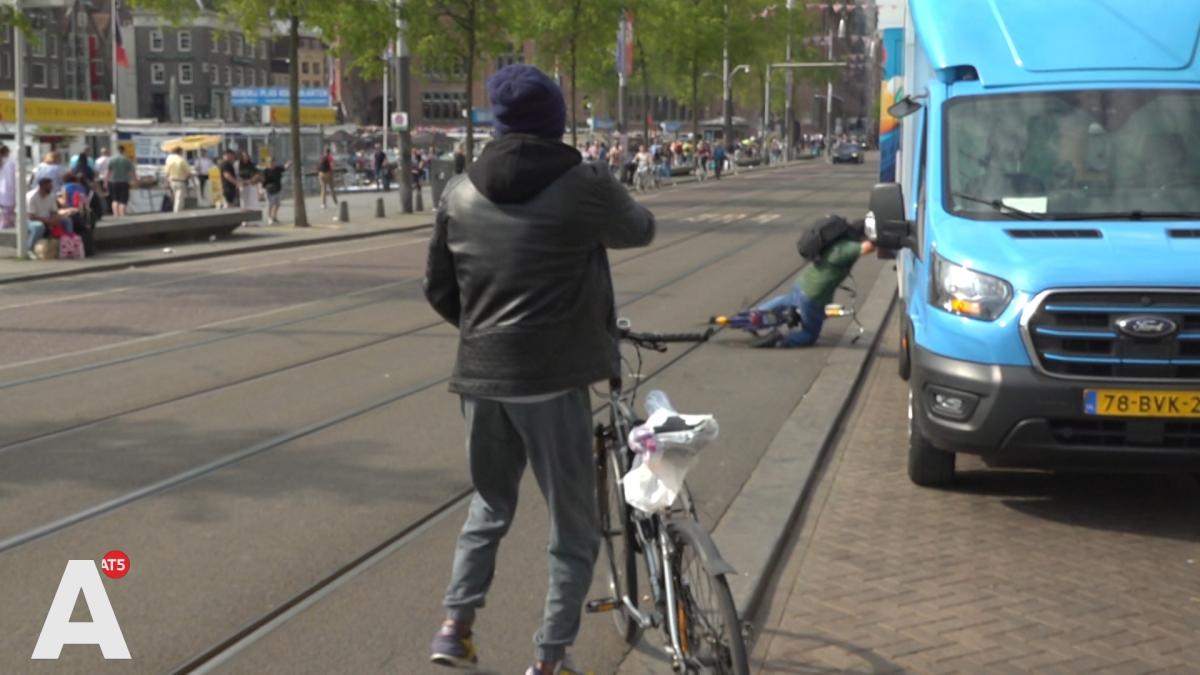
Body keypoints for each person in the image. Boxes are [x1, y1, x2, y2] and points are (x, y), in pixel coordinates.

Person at [424, 63, 655, 675]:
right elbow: (639, 230)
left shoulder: (459, 190)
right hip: (552, 379)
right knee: (573, 528)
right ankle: (550, 659)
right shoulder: (584, 182)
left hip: (481, 375)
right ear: (556, 119)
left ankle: (454, 627)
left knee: (489, 505)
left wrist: (486, 335)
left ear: (498, 122)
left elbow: (439, 288)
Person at [750, 215, 876, 348]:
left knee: (786, 300)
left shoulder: (838, 242)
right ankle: (781, 339)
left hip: (802, 284)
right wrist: (882, 239)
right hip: (814, 296)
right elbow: (868, 248)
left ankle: (757, 314)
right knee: (809, 335)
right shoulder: (846, 247)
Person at [26, 176, 75, 258]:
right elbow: (31, 216)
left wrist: (56, 219)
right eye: (49, 186)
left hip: (48, 218)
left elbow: (54, 212)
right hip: (31, 221)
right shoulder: (32, 197)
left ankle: (68, 245)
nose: (51, 188)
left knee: (67, 221)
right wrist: (49, 221)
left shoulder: (50, 196)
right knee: (39, 226)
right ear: (42, 186)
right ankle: (29, 249)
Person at [106, 145, 136, 217]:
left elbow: (108, 172)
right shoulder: (127, 160)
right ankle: (122, 215)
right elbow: (132, 171)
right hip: (124, 182)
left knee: (114, 199)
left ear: (117, 150)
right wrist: (135, 180)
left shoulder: (111, 159)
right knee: (123, 200)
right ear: (123, 151)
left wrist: (106, 181)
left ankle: (115, 215)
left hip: (113, 182)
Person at [164, 145, 193, 213]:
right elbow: (188, 172)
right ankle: (177, 214)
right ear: (180, 152)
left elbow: (166, 172)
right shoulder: (181, 160)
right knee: (179, 199)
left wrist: (166, 182)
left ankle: (176, 212)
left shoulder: (169, 159)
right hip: (181, 182)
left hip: (172, 181)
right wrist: (188, 178)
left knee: (175, 198)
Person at [261, 157, 289, 225]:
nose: (271, 163)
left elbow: (284, 167)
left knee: (277, 204)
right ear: (267, 163)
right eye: (270, 162)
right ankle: (269, 218)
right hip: (269, 190)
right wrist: (262, 189)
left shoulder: (277, 169)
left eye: (273, 162)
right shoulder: (265, 171)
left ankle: (274, 217)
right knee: (270, 204)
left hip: (277, 189)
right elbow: (262, 181)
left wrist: (288, 164)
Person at [237, 150, 262, 226]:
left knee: (252, 204)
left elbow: (258, 174)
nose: (245, 158)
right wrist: (241, 182)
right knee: (244, 204)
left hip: (251, 185)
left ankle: (252, 221)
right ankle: (244, 221)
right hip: (242, 186)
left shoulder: (251, 165)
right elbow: (237, 176)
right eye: (244, 156)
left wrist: (251, 181)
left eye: (246, 156)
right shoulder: (238, 165)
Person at [0, 145, 15, 230]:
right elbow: (11, 180)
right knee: (7, 218)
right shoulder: (10, 163)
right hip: (7, 194)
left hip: (2, 193)